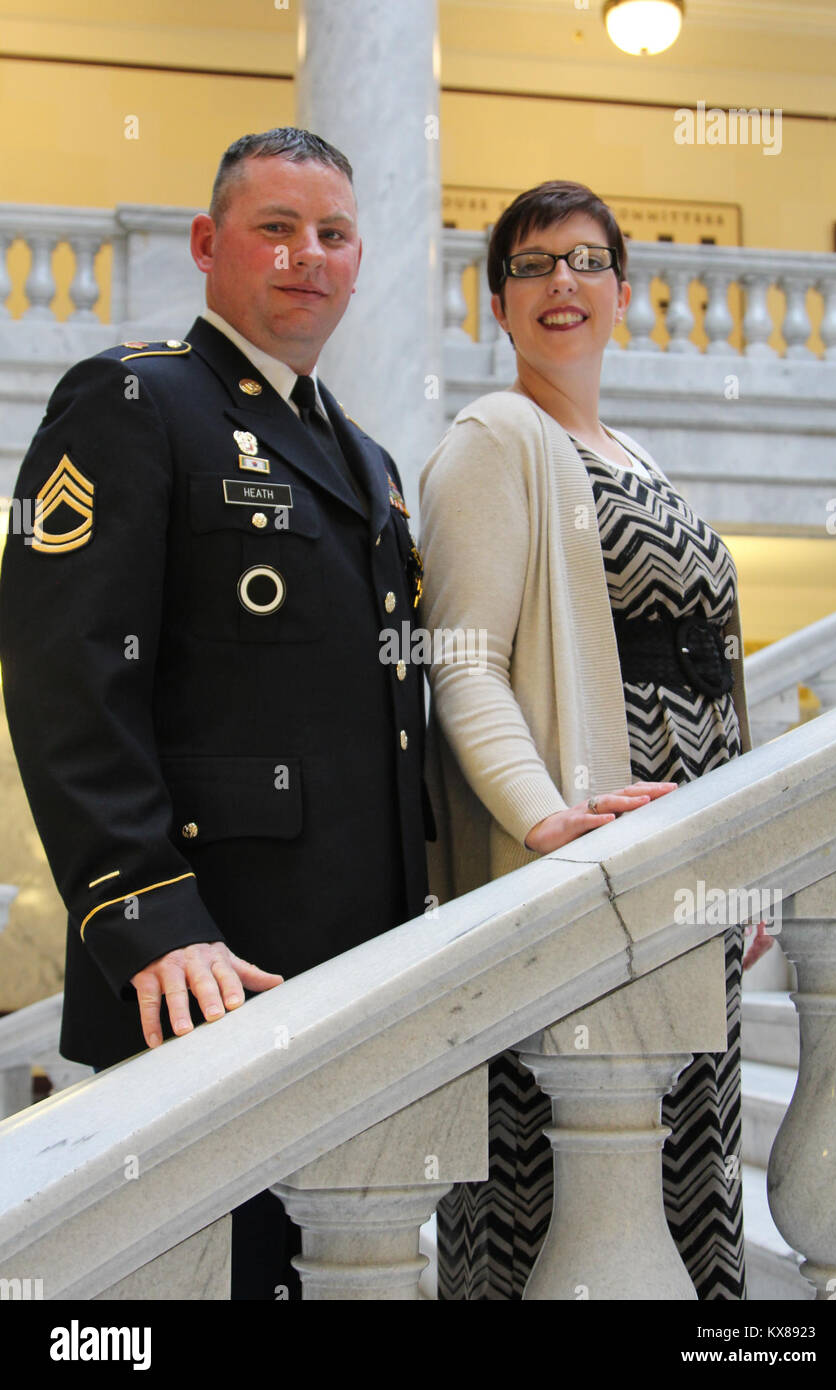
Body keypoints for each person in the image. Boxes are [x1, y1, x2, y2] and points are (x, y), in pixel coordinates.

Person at [0, 127, 430, 1298]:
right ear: (206, 244)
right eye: (275, 228)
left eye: (333, 235)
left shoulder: (371, 460)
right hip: (206, 967)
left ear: (358, 261)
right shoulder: (136, 399)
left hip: (356, 968)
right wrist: (144, 912)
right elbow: (65, 672)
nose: (308, 256)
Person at [420, 180, 763, 1300]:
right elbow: (463, 658)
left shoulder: (633, 452)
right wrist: (540, 816)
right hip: (586, 868)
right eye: (530, 265)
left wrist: (745, 864)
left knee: (683, 1167)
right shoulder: (492, 437)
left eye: (582, 260)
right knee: (563, 1179)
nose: (559, 282)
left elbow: (713, 674)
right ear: (497, 303)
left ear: (621, 289)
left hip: (687, 872)